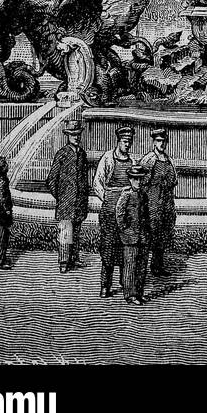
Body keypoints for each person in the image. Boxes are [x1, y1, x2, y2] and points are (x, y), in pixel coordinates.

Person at [93, 125, 135, 298]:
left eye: (129, 142)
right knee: (108, 249)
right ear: (118, 141)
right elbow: (97, 183)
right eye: (125, 142)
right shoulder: (108, 158)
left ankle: (124, 282)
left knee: (124, 248)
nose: (127, 145)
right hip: (109, 212)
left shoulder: (132, 162)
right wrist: (108, 200)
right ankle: (105, 285)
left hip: (124, 214)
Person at [46, 122, 91, 273]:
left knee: (76, 231)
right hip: (66, 201)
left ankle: (74, 258)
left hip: (79, 201)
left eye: (78, 134)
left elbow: (85, 178)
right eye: (73, 134)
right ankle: (64, 262)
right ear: (67, 136)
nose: (76, 137)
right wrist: (61, 196)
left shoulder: (82, 154)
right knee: (66, 232)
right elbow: (51, 180)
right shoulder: (62, 153)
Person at [139, 127, 178, 276]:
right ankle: (143, 268)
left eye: (164, 141)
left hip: (166, 204)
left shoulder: (169, 160)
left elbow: (174, 181)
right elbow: (141, 182)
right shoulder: (149, 159)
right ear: (154, 142)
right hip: (152, 204)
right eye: (159, 141)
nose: (162, 144)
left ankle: (158, 265)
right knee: (151, 234)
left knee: (163, 234)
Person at [115, 165, 152, 305]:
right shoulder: (126, 195)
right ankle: (130, 295)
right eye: (135, 179)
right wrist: (126, 230)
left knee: (141, 267)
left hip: (142, 236)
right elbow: (119, 215)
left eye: (140, 179)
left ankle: (139, 293)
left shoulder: (143, 194)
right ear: (130, 179)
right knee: (130, 266)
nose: (138, 182)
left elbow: (146, 215)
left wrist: (147, 232)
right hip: (130, 237)